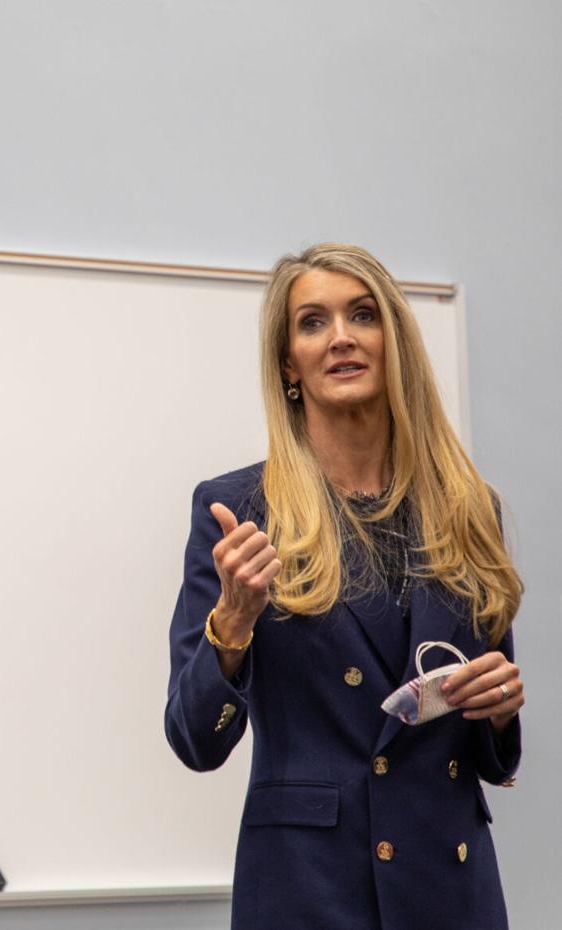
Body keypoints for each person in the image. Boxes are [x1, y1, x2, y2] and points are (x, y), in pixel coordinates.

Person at [163, 243, 524, 930]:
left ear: (394, 342)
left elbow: (489, 745)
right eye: (312, 322)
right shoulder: (239, 511)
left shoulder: (468, 509)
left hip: (450, 890)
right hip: (309, 892)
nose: (341, 337)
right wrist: (231, 623)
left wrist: (500, 711)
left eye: (363, 315)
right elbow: (194, 740)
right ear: (288, 364)